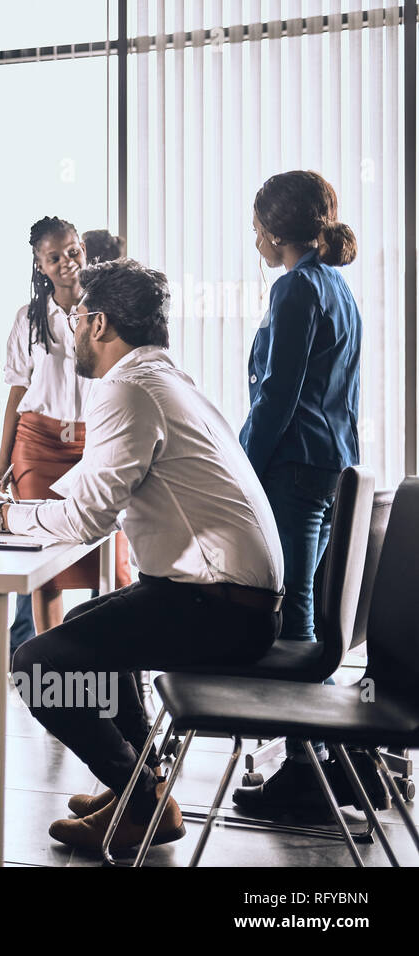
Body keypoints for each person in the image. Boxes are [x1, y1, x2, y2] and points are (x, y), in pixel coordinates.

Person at [0, 260, 285, 853]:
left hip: (224, 609)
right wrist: (6, 503)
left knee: (38, 665)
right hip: (231, 598)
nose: (71, 331)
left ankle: (138, 803)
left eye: (76, 318)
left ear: (99, 323)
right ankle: (145, 787)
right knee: (88, 626)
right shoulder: (162, 380)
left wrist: (0, 517)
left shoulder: (127, 389)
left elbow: (85, 522)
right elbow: (94, 486)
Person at [230, 170, 371, 816]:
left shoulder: (293, 290)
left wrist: (236, 465)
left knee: (298, 625)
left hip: (293, 470)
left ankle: (306, 772)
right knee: (310, 616)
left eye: (256, 223)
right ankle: (337, 764)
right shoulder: (337, 289)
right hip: (332, 467)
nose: (252, 235)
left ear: (274, 229)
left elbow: (276, 397)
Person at [0, 217, 130, 655]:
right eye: (55, 257)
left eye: (73, 251)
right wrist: (2, 460)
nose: (68, 262)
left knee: (116, 566)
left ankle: (116, 671)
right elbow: (18, 391)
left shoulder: (106, 312)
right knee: (45, 565)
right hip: (38, 442)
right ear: (41, 265)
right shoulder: (28, 319)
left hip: (96, 442)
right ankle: (51, 672)